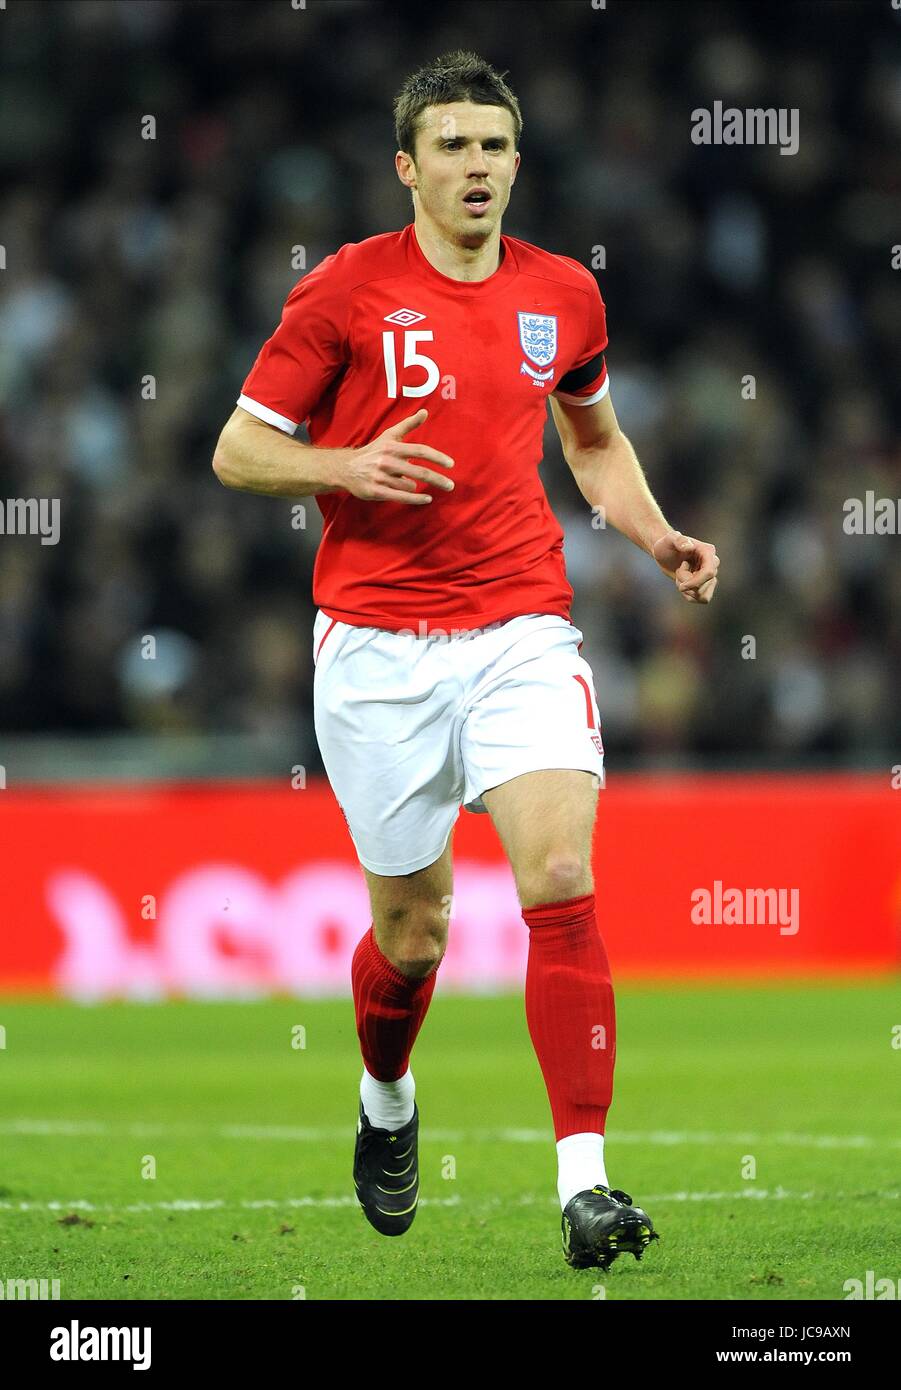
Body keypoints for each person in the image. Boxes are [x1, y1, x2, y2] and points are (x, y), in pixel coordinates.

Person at [212, 50, 718, 1271]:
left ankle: (584, 1183)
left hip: (518, 629)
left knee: (554, 872)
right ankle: (386, 1100)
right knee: (416, 931)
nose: (476, 166)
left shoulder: (563, 295)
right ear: (408, 167)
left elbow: (591, 439)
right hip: (376, 649)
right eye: (451, 146)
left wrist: (653, 534)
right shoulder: (343, 292)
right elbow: (236, 448)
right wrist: (343, 466)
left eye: (493, 145)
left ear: (515, 161)